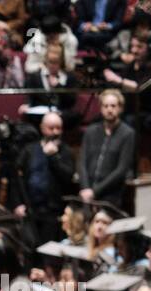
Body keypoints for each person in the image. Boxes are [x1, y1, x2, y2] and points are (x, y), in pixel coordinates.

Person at [12, 111, 77, 249]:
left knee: (49, 254)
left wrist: (53, 157)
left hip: (54, 213)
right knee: (30, 251)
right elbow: (17, 178)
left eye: (58, 128)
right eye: (51, 128)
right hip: (30, 211)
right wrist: (18, 203)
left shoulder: (66, 151)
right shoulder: (29, 150)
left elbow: (68, 178)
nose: (55, 132)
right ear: (42, 128)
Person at [79, 89, 136, 212]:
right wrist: (85, 189)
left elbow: (121, 169)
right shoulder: (90, 131)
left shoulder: (127, 133)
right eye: (105, 106)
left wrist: (94, 192)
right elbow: (82, 162)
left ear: (120, 108)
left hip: (110, 196)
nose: (109, 109)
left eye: (113, 106)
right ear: (100, 108)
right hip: (86, 194)